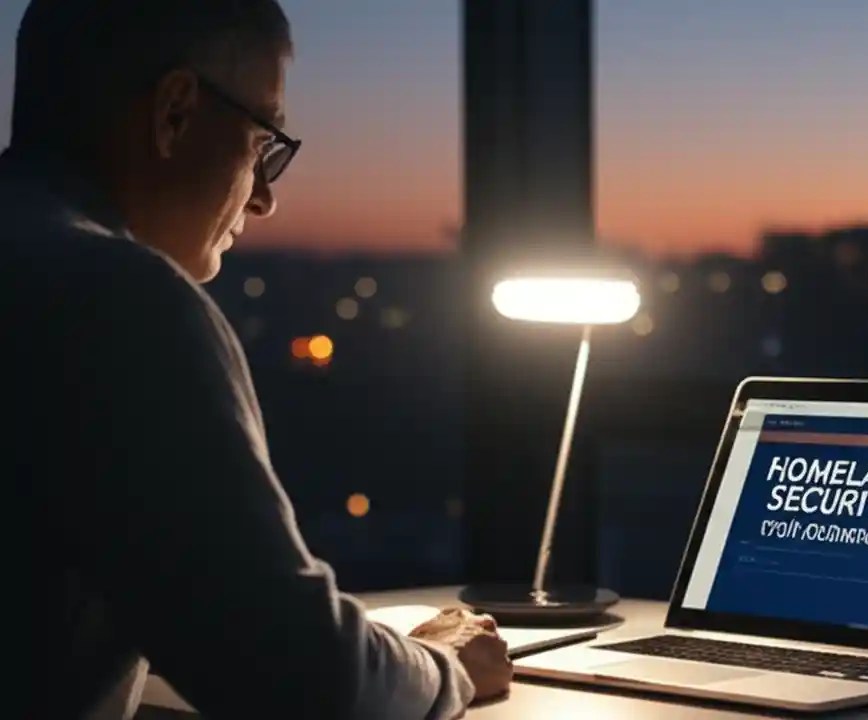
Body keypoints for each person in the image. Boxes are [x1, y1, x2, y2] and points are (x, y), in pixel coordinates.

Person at [2, 1, 512, 718]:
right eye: (262, 140)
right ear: (175, 112)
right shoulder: (117, 301)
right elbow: (300, 676)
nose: (266, 197)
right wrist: (443, 665)